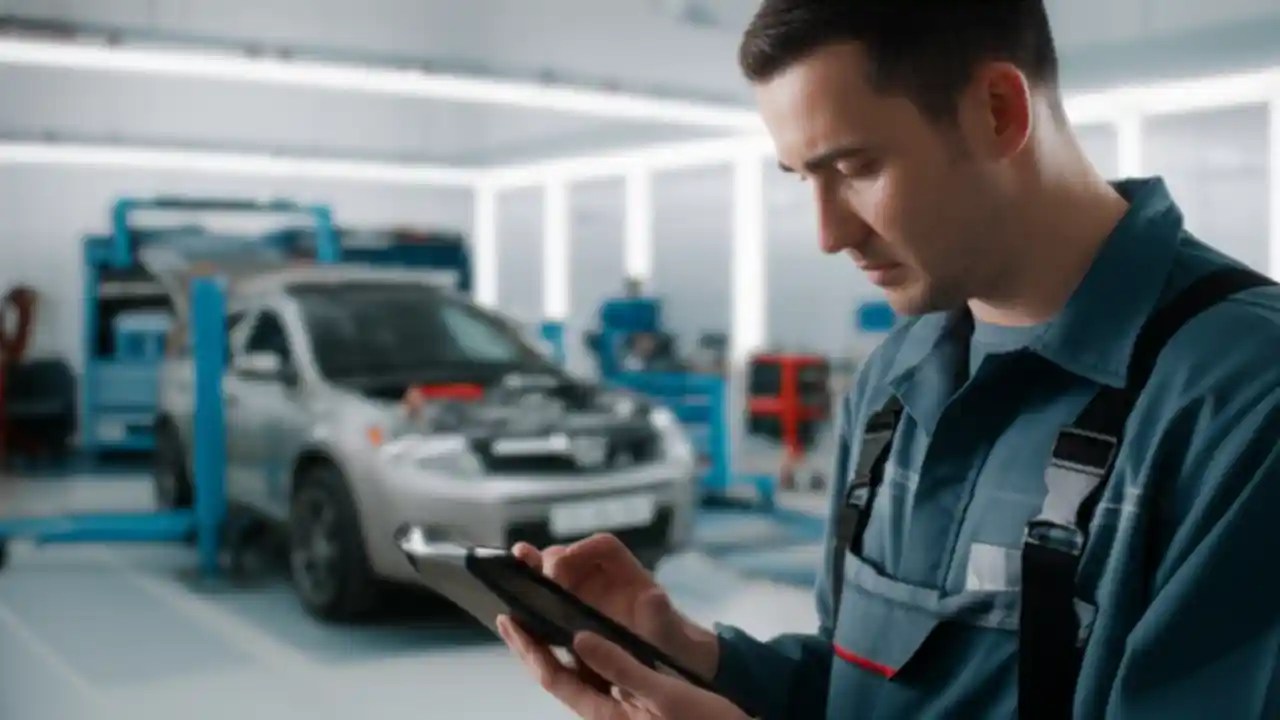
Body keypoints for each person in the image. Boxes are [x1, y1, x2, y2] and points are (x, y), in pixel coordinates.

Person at [496, 1, 1280, 718]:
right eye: (804, 178)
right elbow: (857, 690)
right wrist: (698, 656)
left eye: (858, 168)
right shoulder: (894, 381)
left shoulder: (1244, 399)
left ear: (998, 112)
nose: (829, 234)